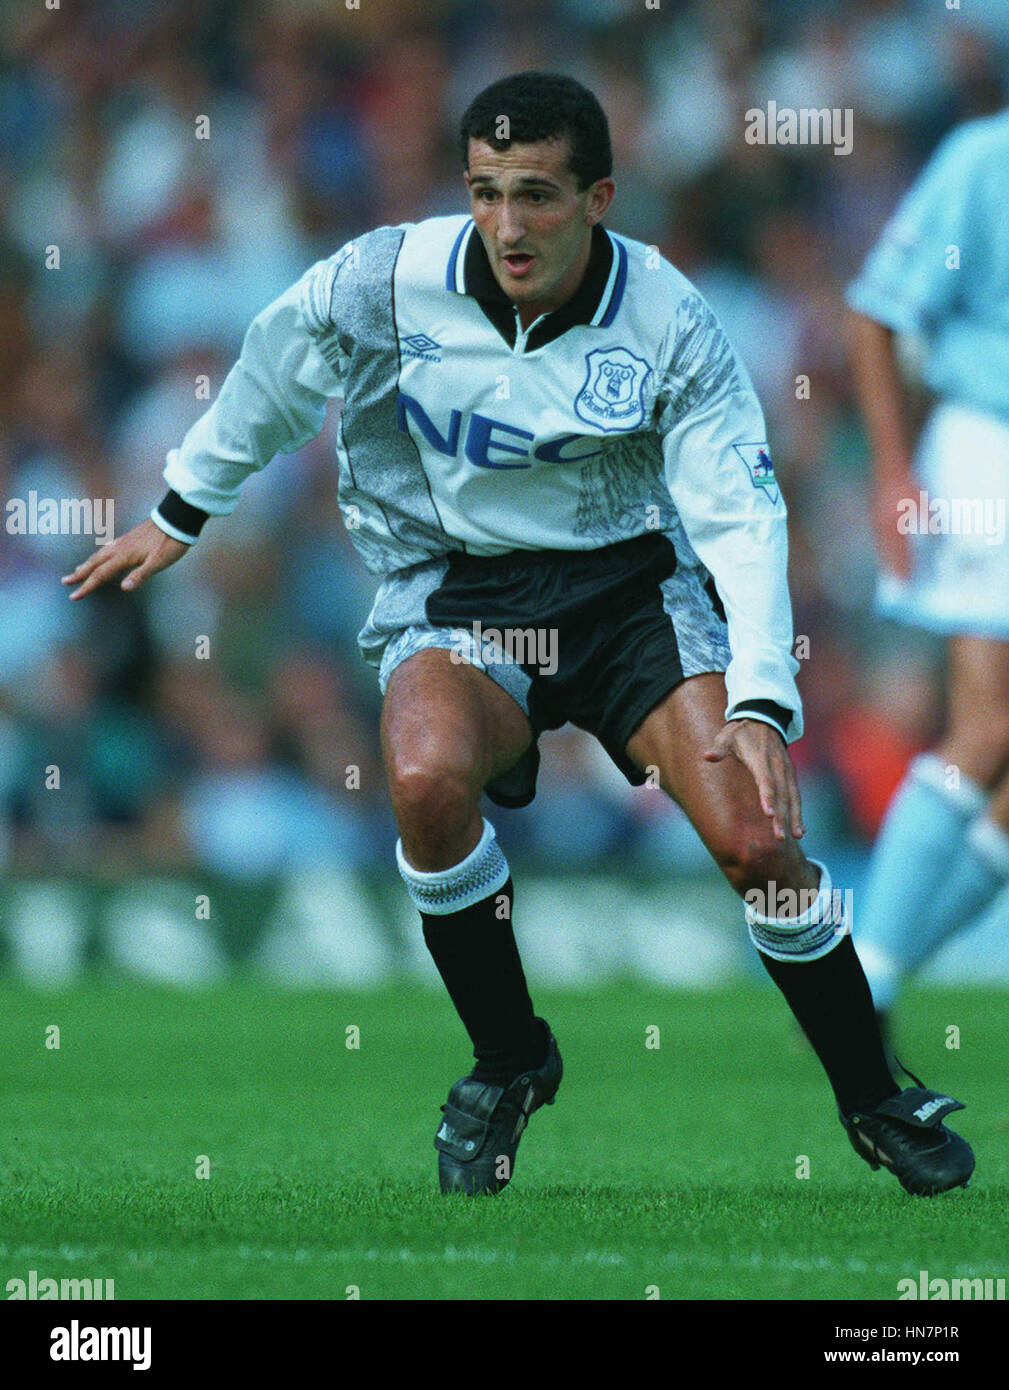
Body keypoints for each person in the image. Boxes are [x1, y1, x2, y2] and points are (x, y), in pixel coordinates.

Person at [65, 72, 973, 1197]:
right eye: (486, 192)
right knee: (424, 775)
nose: (507, 224)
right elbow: (274, 368)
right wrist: (183, 504)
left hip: (629, 595)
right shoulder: (385, 282)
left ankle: (871, 1093)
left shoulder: (669, 319)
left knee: (757, 843)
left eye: (537, 195)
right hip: (457, 591)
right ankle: (509, 1060)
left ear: (599, 197)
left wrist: (756, 700)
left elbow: (739, 510)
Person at [846, 110, 1009, 1034]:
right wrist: (892, 471)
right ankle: (863, 979)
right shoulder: (984, 158)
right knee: (987, 725)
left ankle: (878, 970)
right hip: (988, 444)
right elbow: (874, 308)